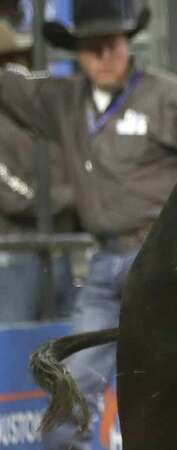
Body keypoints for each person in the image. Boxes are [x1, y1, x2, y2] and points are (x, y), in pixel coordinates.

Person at [1, 0, 177, 450]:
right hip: (104, 261)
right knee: (73, 382)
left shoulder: (171, 98)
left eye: (113, 43)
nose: (104, 54)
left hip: (162, 260)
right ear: (77, 52)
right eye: (92, 46)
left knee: (160, 387)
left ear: (128, 43)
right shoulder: (62, 99)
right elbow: (8, 85)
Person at [0, 21, 75, 323]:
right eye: (10, 63)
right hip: (15, 252)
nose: (19, 72)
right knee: (13, 341)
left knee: (66, 341)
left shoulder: (43, 118)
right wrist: (73, 196)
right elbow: (13, 196)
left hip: (59, 247)